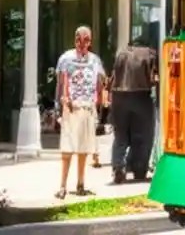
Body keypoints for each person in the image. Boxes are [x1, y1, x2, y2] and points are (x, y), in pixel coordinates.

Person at [55, 26, 105, 199]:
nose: (82, 43)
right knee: (67, 148)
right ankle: (62, 185)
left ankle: (81, 183)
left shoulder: (94, 60)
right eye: (79, 39)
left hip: (87, 106)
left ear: (90, 41)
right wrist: (60, 104)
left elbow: (100, 83)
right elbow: (61, 83)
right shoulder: (66, 59)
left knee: (83, 148)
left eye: (86, 40)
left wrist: (99, 103)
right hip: (71, 106)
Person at [110, 36, 158, 183]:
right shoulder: (149, 53)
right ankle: (139, 168)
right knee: (143, 135)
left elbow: (112, 76)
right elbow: (154, 78)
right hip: (140, 95)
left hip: (118, 96)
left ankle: (118, 165)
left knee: (121, 135)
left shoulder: (121, 53)